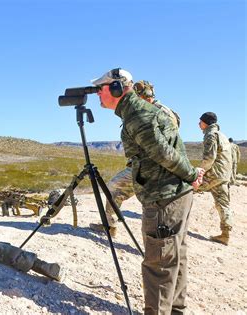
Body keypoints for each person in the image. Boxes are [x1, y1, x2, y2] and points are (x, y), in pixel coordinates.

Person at [92, 68, 204, 314]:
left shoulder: (138, 115)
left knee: (158, 266)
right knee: (175, 259)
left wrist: (192, 175)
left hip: (164, 199)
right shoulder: (137, 112)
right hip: (174, 195)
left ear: (116, 88)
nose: (97, 94)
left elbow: (163, 153)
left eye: (100, 88)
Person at [90, 80, 181, 237]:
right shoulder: (160, 110)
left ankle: (112, 227)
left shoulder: (156, 111)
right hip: (150, 165)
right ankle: (110, 226)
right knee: (116, 188)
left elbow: (161, 143)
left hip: (153, 168)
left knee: (118, 188)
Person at [196, 112, 233, 245]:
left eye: (200, 121)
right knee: (223, 204)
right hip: (224, 175)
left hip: (213, 175)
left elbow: (209, 158)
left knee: (186, 189)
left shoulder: (211, 135)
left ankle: (172, 220)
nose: (199, 124)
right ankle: (225, 234)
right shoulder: (222, 136)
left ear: (205, 123)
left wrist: (200, 173)